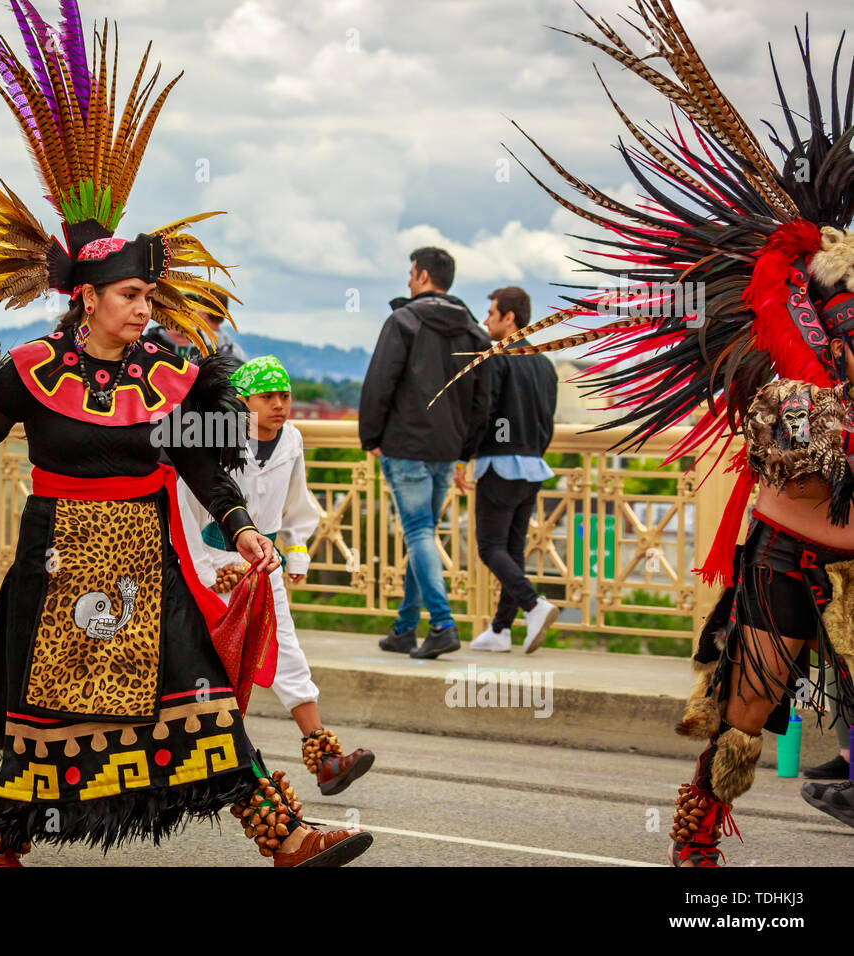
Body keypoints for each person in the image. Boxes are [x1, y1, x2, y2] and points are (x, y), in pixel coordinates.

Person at [0, 0, 372, 868]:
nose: (147, 309)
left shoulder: (170, 370)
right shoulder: (29, 369)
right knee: (44, 727)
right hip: (58, 559)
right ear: (88, 297)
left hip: (151, 559)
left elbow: (204, 465)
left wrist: (245, 529)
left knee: (203, 706)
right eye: (132, 297)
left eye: (150, 297)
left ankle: (287, 837)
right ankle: (1, 845)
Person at [444, 4, 854, 861]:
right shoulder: (784, 282)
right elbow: (767, 384)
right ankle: (696, 836)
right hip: (797, 536)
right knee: (748, 707)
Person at [178, 355, 375, 795]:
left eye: (285, 395)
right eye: (268, 396)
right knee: (204, 661)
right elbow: (187, 505)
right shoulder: (218, 441)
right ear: (244, 402)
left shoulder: (293, 440)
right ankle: (197, 763)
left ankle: (325, 759)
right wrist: (207, 570)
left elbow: (298, 504)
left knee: (287, 650)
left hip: (264, 564)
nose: (280, 404)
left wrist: (298, 554)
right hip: (215, 567)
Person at [360, 247, 491, 660]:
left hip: (405, 444)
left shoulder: (403, 321)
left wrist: (371, 436)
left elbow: (380, 380)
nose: (408, 280)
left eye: (410, 273)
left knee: (418, 532)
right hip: (445, 449)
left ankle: (441, 624)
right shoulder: (474, 332)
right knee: (424, 535)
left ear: (421, 276)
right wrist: (463, 450)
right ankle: (403, 628)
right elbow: (482, 401)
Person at [453, 287, 560, 654]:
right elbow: (547, 421)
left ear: (508, 317)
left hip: (499, 464)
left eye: (491, 313)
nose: (485, 320)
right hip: (532, 466)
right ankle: (500, 630)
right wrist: (533, 452)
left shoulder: (495, 357)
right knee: (512, 551)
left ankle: (533, 605)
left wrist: (464, 455)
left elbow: (483, 412)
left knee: (489, 547)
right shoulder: (545, 363)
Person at [146, 292, 246, 363]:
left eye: (190, 309)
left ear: (201, 315)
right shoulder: (146, 345)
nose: (183, 313)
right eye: (176, 306)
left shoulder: (209, 354)